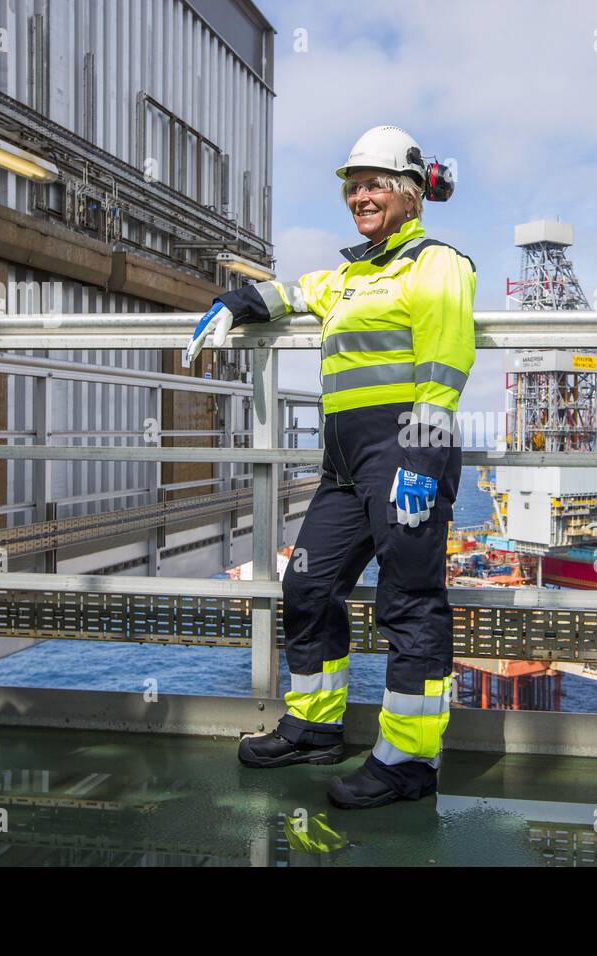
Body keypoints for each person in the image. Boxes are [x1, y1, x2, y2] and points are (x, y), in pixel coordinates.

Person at [185, 126, 476, 809]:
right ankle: (315, 726)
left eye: (375, 183)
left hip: (405, 450)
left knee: (409, 602)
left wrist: (423, 463)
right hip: (344, 462)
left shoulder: (438, 265)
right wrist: (234, 302)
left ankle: (408, 760)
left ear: (411, 194)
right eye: (354, 185)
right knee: (307, 589)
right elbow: (288, 294)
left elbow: (444, 366)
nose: (360, 195)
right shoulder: (348, 277)